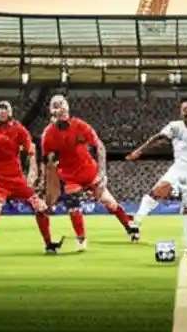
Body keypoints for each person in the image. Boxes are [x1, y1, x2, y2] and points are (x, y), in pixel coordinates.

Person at [126, 97, 187, 259]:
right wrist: (139, 151)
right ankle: (136, 222)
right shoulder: (175, 127)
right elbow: (158, 138)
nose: (184, 112)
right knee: (158, 191)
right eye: (182, 109)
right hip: (178, 170)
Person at [40, 94, 137, 250]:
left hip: (90, 173)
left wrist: (102, 174)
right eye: (56, 106)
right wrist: (49, 188)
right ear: (52, 111)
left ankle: (129, 225)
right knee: (72, 206)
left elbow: (99, 147)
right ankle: (81, 239)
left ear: (68, 106)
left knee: (108, 202)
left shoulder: (79, 125)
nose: (61, 108)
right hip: (70, 177)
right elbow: (47, 161)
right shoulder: (48, 135)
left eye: (63, 104)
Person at [0, 100, 61, 263]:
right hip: (0, 182)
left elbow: (31, 150)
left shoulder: (18, 129)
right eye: (0, 110)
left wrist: (33, 173)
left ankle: (48, 244)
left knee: (40, 207)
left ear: (10, 112)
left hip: (18, 181)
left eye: (5, 110)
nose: (2, 113)